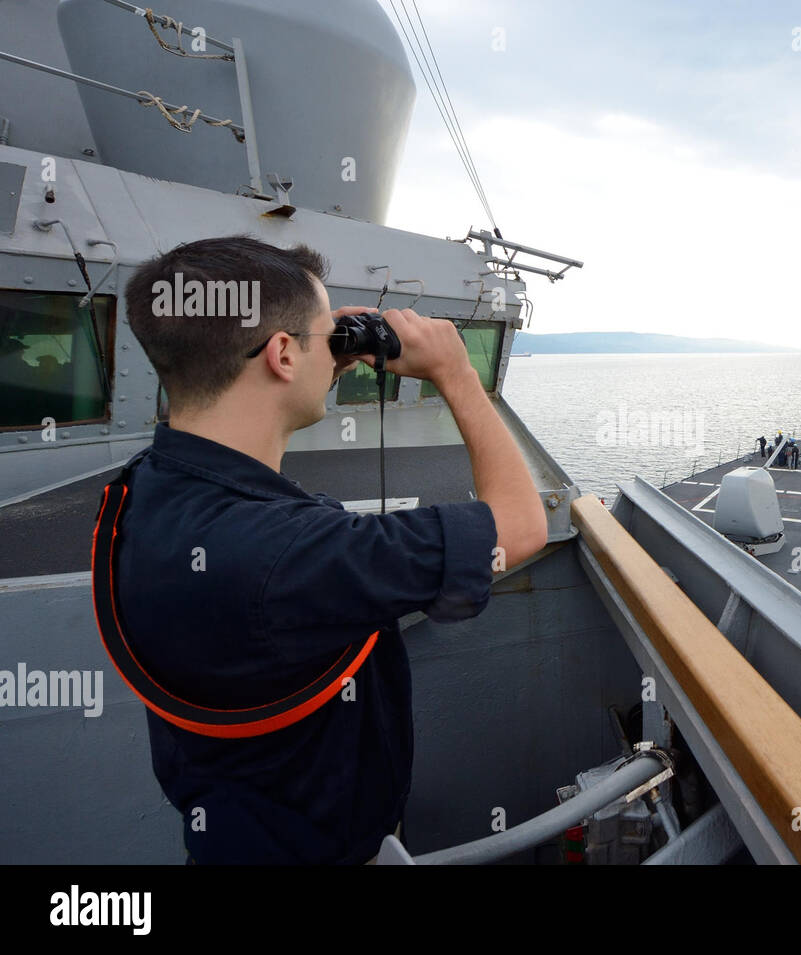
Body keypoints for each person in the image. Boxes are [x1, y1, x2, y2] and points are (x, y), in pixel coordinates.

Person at [112, 236, 547, 864]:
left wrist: (313, 359)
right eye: (323, 336)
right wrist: (456, 373)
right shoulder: (291, 553)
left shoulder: (143, 491)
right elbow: (522, 526)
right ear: (281, 354)